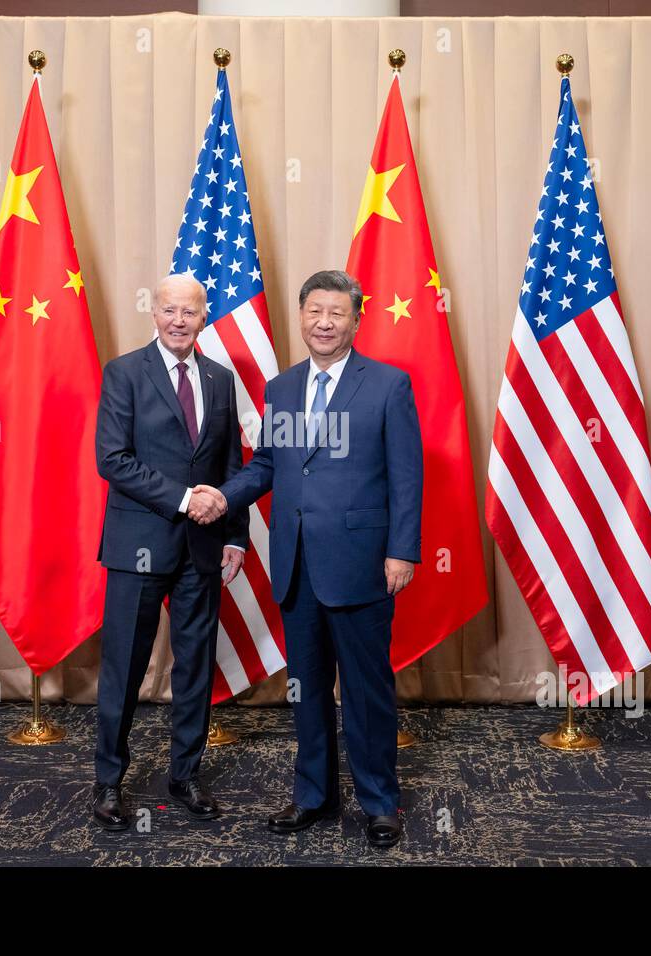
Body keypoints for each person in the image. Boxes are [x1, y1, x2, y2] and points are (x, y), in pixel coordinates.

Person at [189, 269, 422, 848]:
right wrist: (224, 495)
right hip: (296, 563)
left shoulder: (389, 385)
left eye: (336, 313)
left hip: (362, 563)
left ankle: (379, 802)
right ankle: (314, 795)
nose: (324, 322)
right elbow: (268, 463)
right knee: (307, 688)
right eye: (314, 311)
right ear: (301, 316)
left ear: (355, 319)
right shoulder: (282, 388)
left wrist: (402, 550)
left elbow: (408, 476)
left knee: (367, 692)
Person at [91, 273, 246, 830]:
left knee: (196, 669)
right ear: (153, 313)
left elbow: (230, 464)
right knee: (125, 668)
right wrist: (183, 499)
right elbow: (113, 460)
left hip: (203, 549)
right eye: (169, 310)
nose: (179, 320)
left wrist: (234, 532)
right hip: (137, 545)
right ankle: (109, 781)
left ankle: (185, 775)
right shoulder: (125, 373)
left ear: (205, 317)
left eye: (190, 312)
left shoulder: (221, 380)